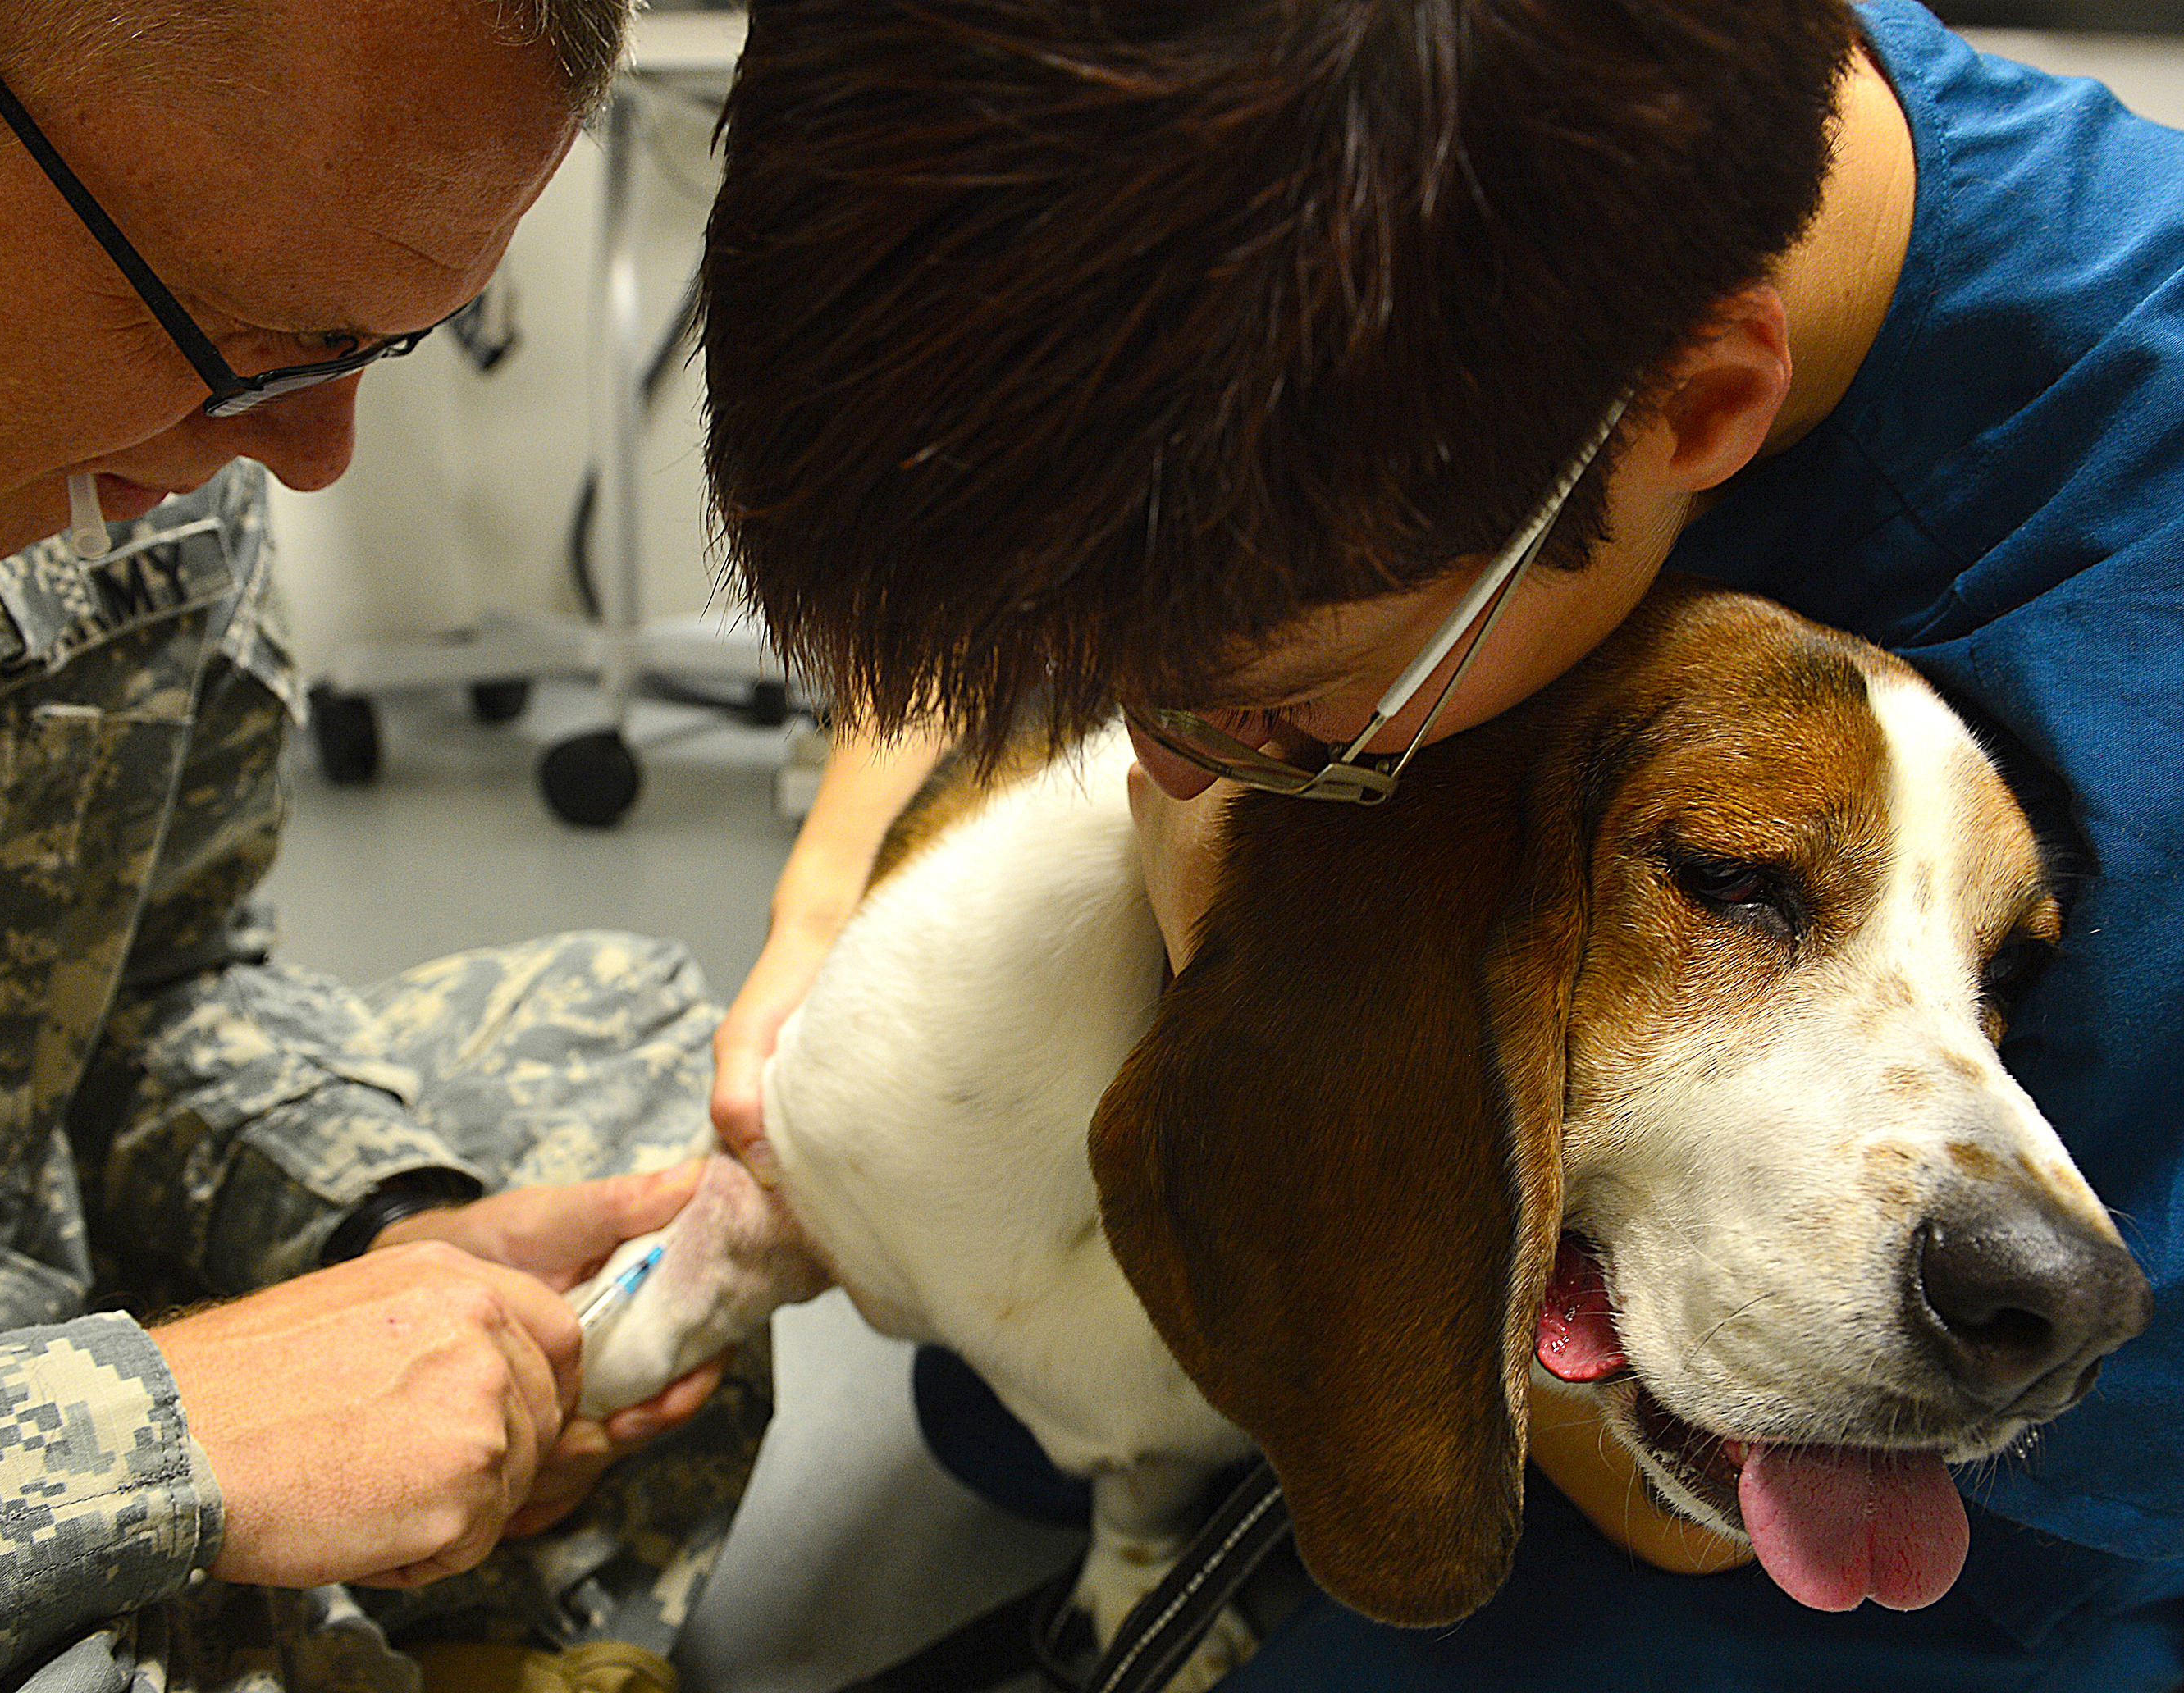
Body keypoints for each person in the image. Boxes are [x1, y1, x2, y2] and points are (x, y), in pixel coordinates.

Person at [697, 1, 2184, 1686]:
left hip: (1888, 1530)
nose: (1143, 753)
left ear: (1702, 410)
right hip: (1342, 1204)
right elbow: (1039, 556)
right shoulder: (1436, 111)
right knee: (1008, 1410)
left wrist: (1221, 910)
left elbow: (1715, 1496)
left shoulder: (2140, 620)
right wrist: (826, 905)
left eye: (1230, 692)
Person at [0, 0, 763, 1688]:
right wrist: (136, 1438)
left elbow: (150, 991)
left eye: (376, 350)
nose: (312, 457)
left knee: (653, 1117)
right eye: (237, 330)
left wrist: (372, 1236)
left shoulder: (153, 453)